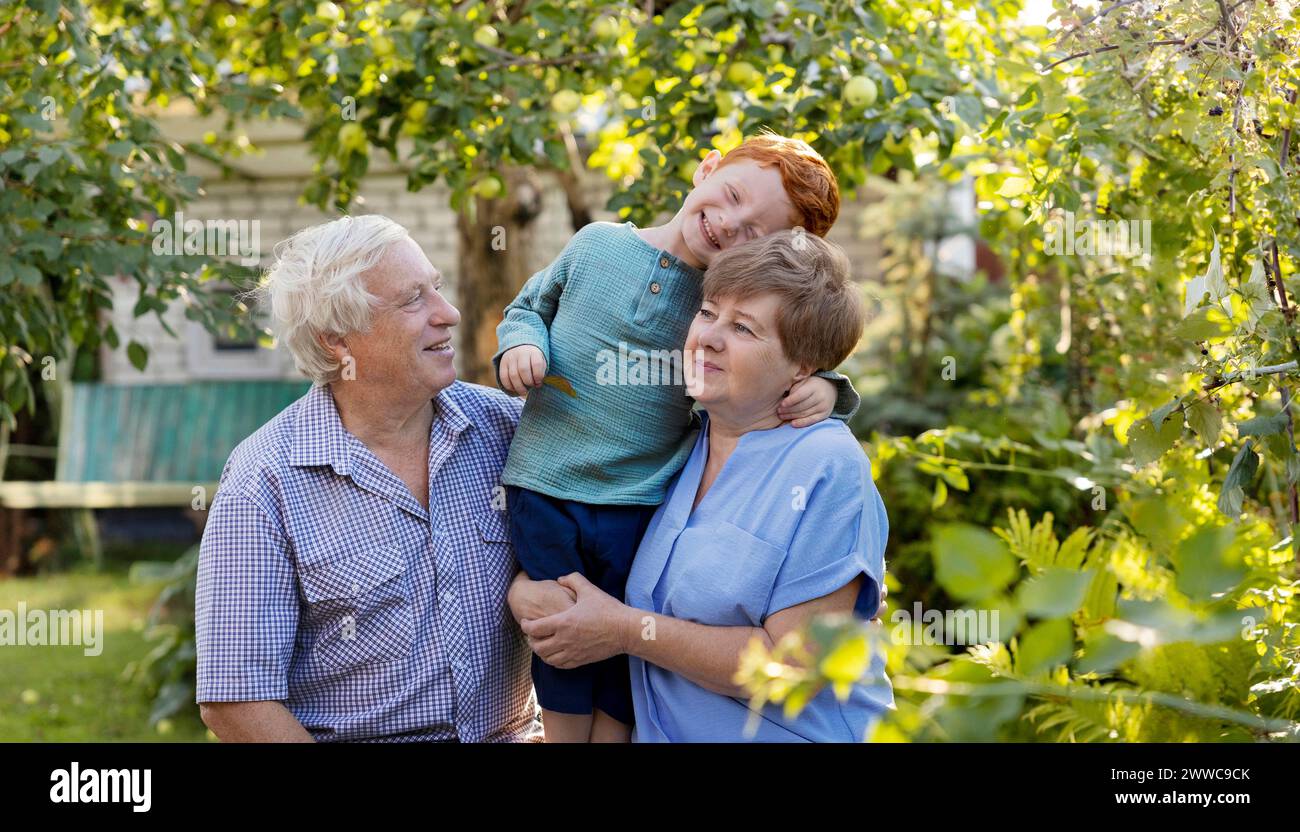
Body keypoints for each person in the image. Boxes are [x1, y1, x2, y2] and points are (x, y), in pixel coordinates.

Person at [493, 133, 862, 742]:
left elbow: (802, 339)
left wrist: (829, 390)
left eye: (756, 233)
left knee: (615, 651)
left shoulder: (726, 298)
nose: (729, 224)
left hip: (635, 498)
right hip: (545, 481)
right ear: (707, 168)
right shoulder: (598, 245)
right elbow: (528, 306)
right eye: (733, 195)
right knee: (561, 630)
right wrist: (522, 343)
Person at [195, 215, 539, 742]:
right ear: (336, 340)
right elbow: (237, 701)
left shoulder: (505, 429)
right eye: (412, 301)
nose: (449, 314)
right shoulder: (264, 480)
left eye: (438, 290)